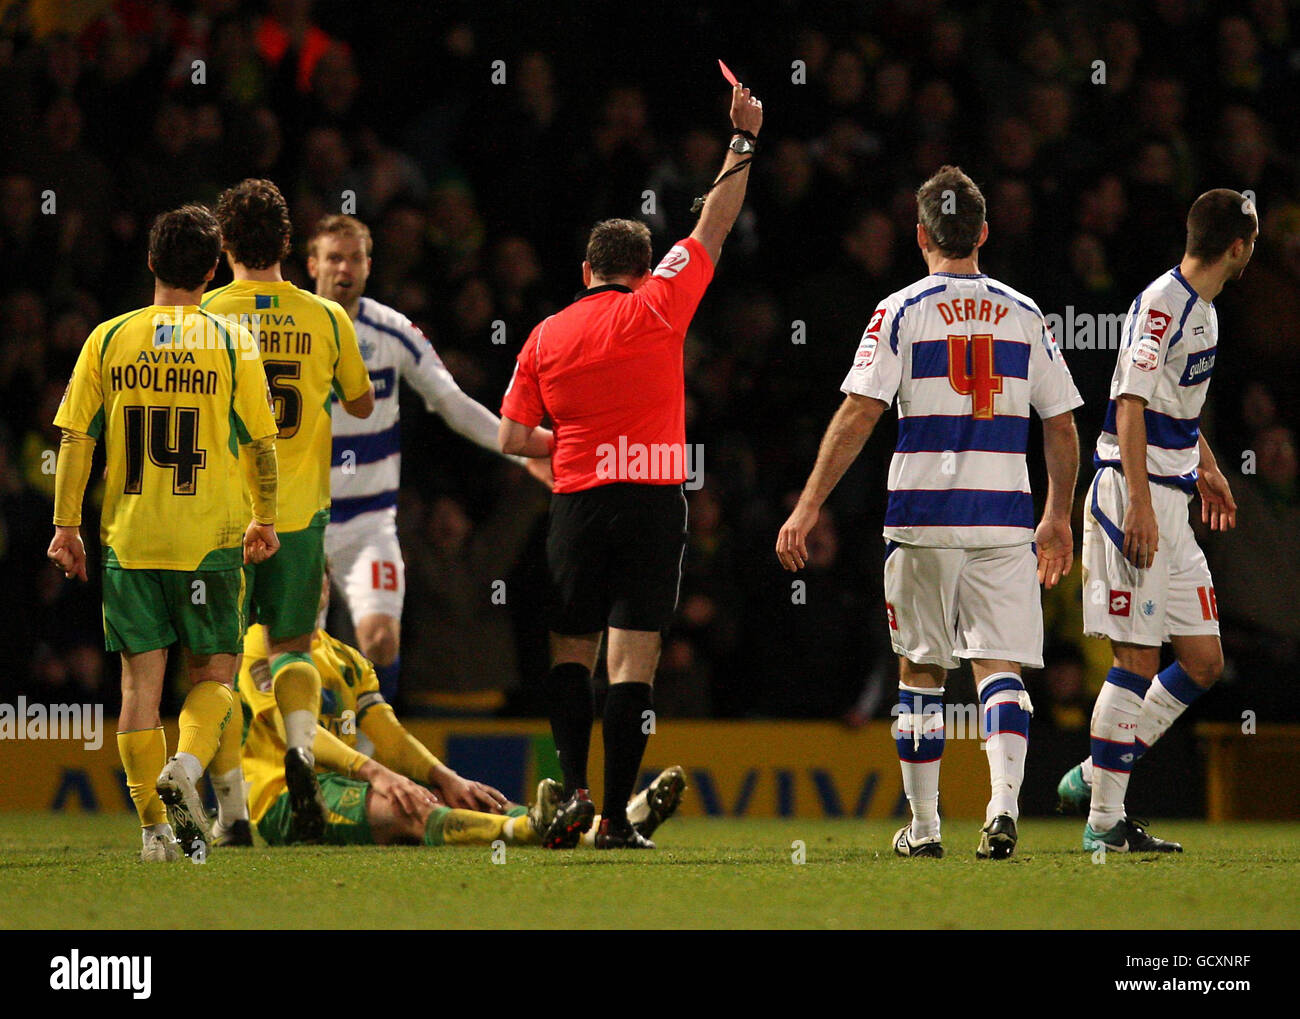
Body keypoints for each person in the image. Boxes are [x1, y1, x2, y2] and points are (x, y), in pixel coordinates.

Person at [776, 166, 1084, 860]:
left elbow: (859, 413)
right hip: (1005, 516)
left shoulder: (900, 311)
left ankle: (924, 827)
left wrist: (808, 504)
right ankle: (1003, 808)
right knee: (1000, 668)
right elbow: (1061, 425)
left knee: (920, 668)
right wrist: (1058, 516)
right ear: (983, 231)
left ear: (920, 235)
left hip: (922, 516)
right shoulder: (1024, 312)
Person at [498, 81, 763, 849]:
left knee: (571, 651)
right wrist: (742, 138)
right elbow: (714, 224)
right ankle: (616, 819)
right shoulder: (660, 304)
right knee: (633, 662)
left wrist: (570, 453)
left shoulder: (546, 334)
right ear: (644, 269)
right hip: (652, 501)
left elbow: (515, 437)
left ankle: (572, 791)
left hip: (578, 505)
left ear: (586, 270)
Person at [46, 204, 280, 861]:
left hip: (129, 537)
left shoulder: (108, 338)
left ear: (150, 262)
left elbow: (74, 437)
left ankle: (155, 831)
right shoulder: (232, 342)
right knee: (215, 676)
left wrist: (67, 525)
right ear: (211, 270)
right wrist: (265, 514)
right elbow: (263, 444)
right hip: (208, 538)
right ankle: (185, 769)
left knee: (136, 692)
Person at [1055, 190, 1255, 852]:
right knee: (1136, 658)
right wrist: (1140, 502)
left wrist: (1211, 470)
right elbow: (1130, 403)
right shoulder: (1163, 304)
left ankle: (1097, 769)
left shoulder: (1208, 314)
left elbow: (1176, 412)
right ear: (1238, 246)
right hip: (1129, 495)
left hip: (1171, 494)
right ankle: (1105, 823)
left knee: (1201, 660)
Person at [211, 588, 685, 850]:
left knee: (461, 797)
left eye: (317, 575)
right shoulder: (258, 646)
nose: (310, 586)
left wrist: (445, 776)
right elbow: (303, 734)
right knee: (406, 809)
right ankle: (529, 830)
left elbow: (389, 734)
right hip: (286, 802)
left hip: (350, 787)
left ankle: (605, 826)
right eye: (302, 574)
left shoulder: (348, 659)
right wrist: (376, 771)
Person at [306, 214, 549, 702]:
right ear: (313, 264)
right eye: (334, 257)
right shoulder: (286, 332)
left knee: (377, 644)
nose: (344, 268)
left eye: (354, 258)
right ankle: (297, 765)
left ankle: (368, 766)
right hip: (301, 519)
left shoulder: (393, 332)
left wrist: (529, 450)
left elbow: (453, 404)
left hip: (370, 524)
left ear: (369, 266)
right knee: (301, 653)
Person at [202, 179, 375, 844]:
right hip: (300, 516)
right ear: (288, 246)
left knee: (216, 663)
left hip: (222, 518)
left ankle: (234, 815)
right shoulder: (326, 317)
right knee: (292, 646)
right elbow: (359, 402)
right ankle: (302, 750)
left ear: (223, 246)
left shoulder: (208, 314)